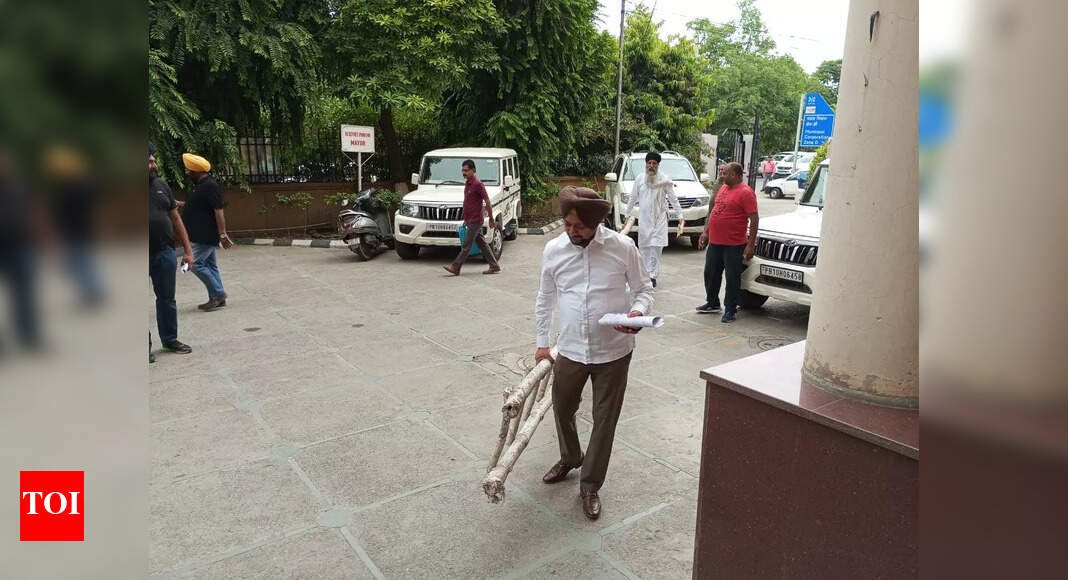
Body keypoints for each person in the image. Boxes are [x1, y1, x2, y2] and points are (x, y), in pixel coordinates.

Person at [535, 186, 654, 521]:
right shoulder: (554, 250)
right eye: (567, 224)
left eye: (580, 226)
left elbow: (644, 289)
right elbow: (545, 298)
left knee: (605, 420)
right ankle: (570, 457)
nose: (572, 232)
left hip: (614, 352)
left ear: (596, 222)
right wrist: (543, 343)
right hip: (570, 348)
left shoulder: (622, 247)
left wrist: (637, 314)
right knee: (562, 407)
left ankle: (590, 484)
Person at [696, 162, 759, 323]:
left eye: (728, 173)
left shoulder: (746, 192)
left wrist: (750, 244)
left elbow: (754, 219)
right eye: (723, 173)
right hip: (716, 241)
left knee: (732, 278)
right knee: (710, 273)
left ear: (738, 175)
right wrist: (705, 232)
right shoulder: (723, 188)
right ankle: (712, 303)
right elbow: (714, 212)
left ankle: (730, 309)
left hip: (734, 244)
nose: (723, 176)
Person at [149, 144, 194, 360]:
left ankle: (169, 339)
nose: (153, 164)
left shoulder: (161, 186)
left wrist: (187, 250)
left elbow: (176, 219)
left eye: (153, 160)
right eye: (148, 161)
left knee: (167, 298)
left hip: (164, 253)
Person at [623, 152, 684, 288]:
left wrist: (680, 216)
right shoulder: (639, 179)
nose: (651, 166)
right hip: (644, 218)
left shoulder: (665, 180)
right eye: (649, 163)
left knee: (656, 247)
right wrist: (627, 213)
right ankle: (645, 274)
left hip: (659, 218)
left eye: (654, 163)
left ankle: (652, 275)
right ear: (646, 164)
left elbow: (673, 199)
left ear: (658, 165)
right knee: (644, 246)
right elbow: (633, 197)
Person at [180, 153, 232, 311]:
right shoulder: (201, 186)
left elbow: (218, 211)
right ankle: (216, 298)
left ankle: (217, 293)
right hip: (199, 234)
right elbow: (197, 205)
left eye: (189, 171)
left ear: (197, 171)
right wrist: (180, 204)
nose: (187, 173)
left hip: (204, 235)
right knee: (210, 265)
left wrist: (223, 234)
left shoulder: (210, 186)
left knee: (192, 264)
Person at [443, 159, 501, 276]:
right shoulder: (468, 183)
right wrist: (466, 219)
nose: (464, 173)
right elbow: (469, 202)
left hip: (476, 220)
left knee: (466, 245)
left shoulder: (478, 184)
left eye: (466, 170)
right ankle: (494, 266)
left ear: (473, 170)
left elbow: (487, 201)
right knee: (482, 244)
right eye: (462, 170)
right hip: (470, 219)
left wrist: (490, 218)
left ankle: (456, 267)